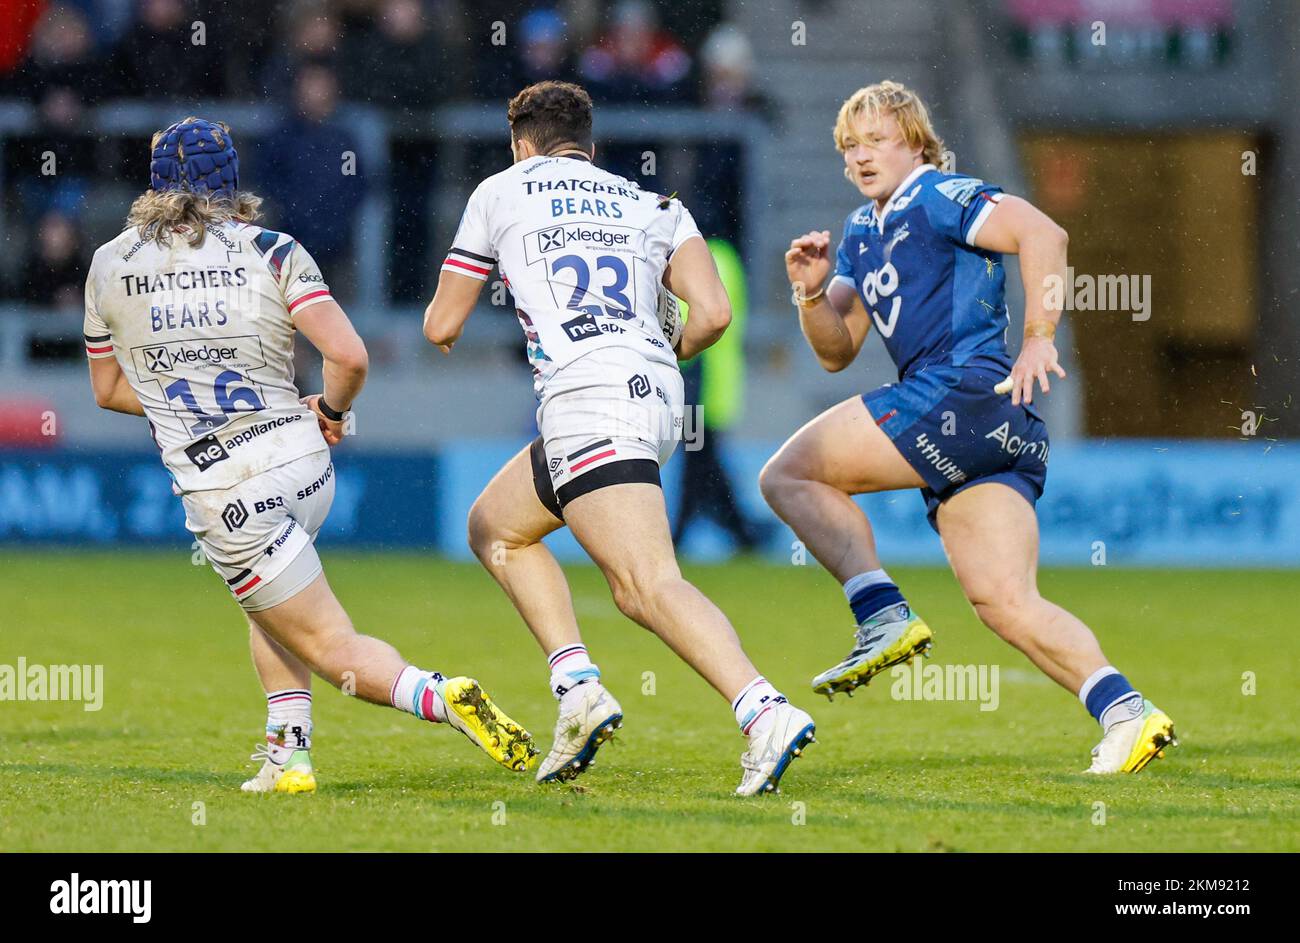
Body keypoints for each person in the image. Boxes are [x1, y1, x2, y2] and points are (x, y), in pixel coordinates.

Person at [83, 117, 536, 794]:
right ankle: (286, 755)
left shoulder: (110, 263)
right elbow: (348, 356)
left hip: (228, 490)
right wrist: (329, 411)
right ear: (229, 180)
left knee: (330, 646)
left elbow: (109, 389)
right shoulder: (272, 248)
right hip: (303, 461)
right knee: (271, 605)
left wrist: (188, 405)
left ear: (153, 185)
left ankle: (438, 694)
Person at [762, 81, 1177, 774]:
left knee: (787, 474)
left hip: (955, 393)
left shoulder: (939, 195)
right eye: (850, 146)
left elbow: (1044, 232)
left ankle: (880, 610)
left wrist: (1041, 335)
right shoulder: (865, 230)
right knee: (1005, 601)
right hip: (994, 425)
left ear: (917, 144)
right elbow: (837, 350)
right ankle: (1128, 713)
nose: (862, 156)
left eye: (878, 140)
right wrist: (809, 292)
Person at [424, 81, 815, 796]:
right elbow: (715, 313)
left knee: (644, 585)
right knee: (496, 527)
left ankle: (765, 711)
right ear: (590, 145)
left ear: (521, 145)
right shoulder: (655, 206)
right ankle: (577, 689)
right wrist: (649, 349)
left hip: (586, 400)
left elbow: (442, 324)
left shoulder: (502, 192)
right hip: (654, 393)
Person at [672, 237, 764, 552]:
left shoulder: (695, 257)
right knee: (703, 462)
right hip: (716, 382)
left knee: (698, 462)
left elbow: (686, 321)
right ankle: (741, 528)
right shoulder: (725, 257)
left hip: (697, 381)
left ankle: (695, 532)